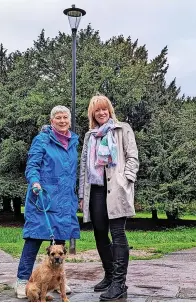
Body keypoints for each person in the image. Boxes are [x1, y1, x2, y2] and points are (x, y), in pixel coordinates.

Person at [14, 105, 80, 299]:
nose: (62, 121)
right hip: (43, 198)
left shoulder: (74, 142)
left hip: (64, 200)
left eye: (65, 117)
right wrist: (35, 181)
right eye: (58, 118)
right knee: (33, 240)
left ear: (69, 120)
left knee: (59, 243)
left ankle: (59, 282)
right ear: (52, 121)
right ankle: (21, 281)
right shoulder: (42, 140)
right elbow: (32, 165)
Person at [78, 95, 139, 301]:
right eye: (97, 111)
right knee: (100, 233)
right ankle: (110, 274)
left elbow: (132, 157)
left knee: (117, 233)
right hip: (96, 189)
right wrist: (81, 194)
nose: (101, 113)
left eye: (104, 109)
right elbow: (84, 167)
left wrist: (127, 180)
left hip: (116, 188)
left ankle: (119, 284)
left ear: (109, 110)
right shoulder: (90, 136)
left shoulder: (122, 129)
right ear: (92, 114)